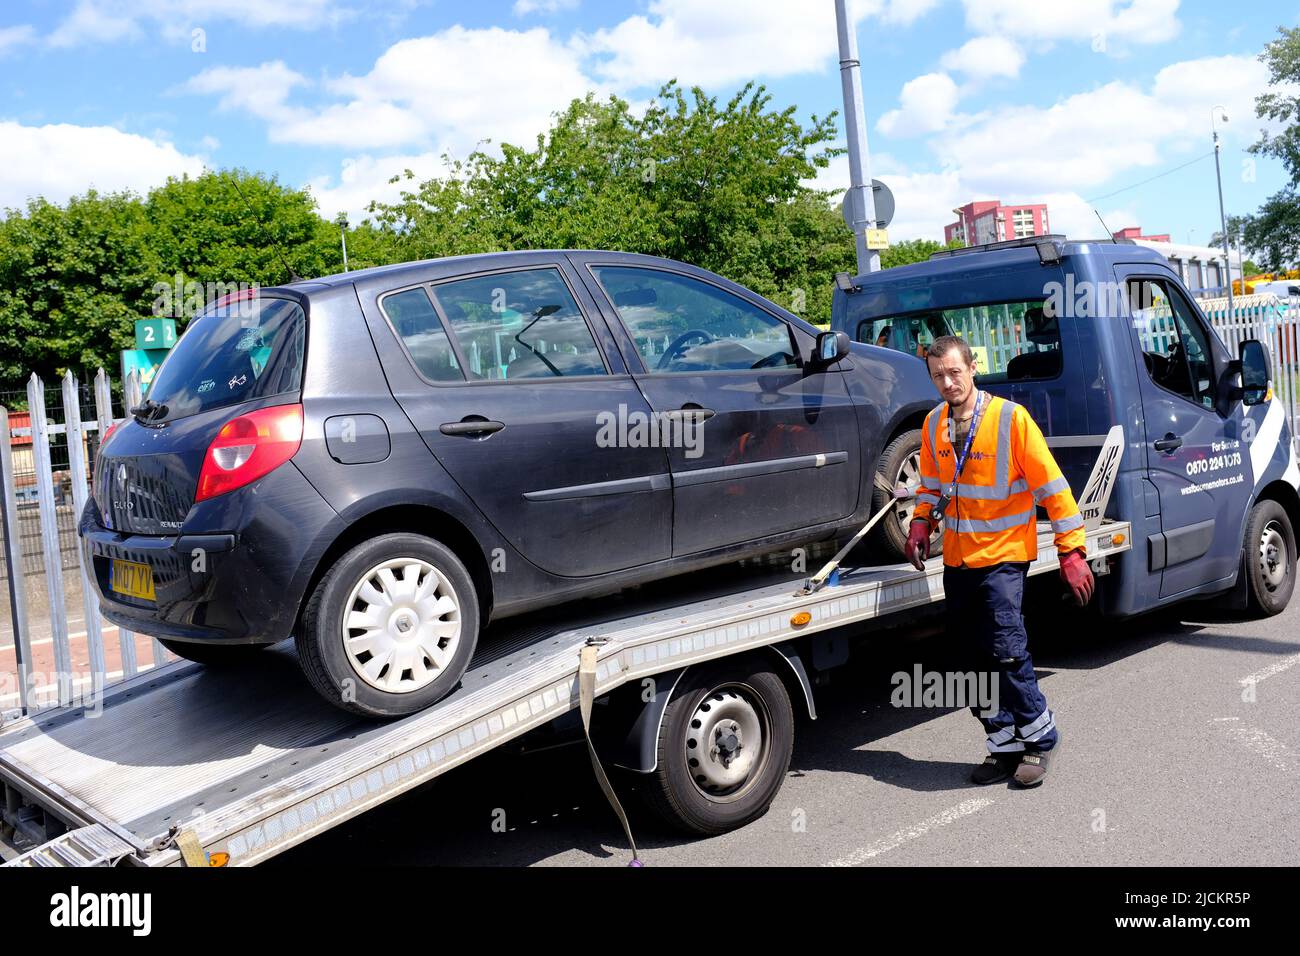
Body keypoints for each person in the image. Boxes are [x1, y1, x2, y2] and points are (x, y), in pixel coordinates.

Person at [906, 335, 1095, 787]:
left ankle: (1040, 738)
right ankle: (1003, 744)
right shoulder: (933, 426)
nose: (948, 382)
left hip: (1005, 555)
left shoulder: (1011, 419)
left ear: (973, 368)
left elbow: (1053, 487)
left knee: (1006, 650)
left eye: (955, 372)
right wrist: (919, 523)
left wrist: (1072, 549)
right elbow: (932, 487)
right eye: (938, 375)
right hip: (959, 559)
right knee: (970, 661)